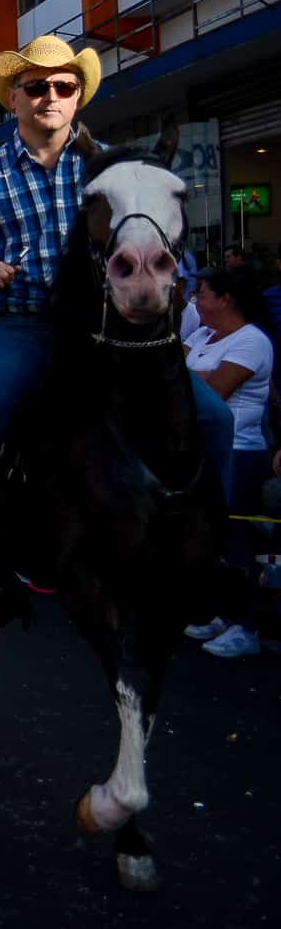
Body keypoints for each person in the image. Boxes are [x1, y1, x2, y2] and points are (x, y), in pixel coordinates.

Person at [0, 36, 233, 605]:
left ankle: (207, 545)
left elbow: (157, 234)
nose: (50, 95)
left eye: (63, 86)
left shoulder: (116, 168)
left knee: (217, 420)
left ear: (77, 98)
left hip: (112, 335)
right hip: (24, 326)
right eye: (36, 87)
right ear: (15, 100)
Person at [180, 268, 274, 659]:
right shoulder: (202, 335)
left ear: (226, 299)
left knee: (238, 539)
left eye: (202, 294)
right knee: (210, 537)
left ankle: (247, 626)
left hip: (240, 449)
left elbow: (217, 390)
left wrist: (188, 372)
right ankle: (222, 611)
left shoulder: (252, 341)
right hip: (202, 450)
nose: (196, 301)